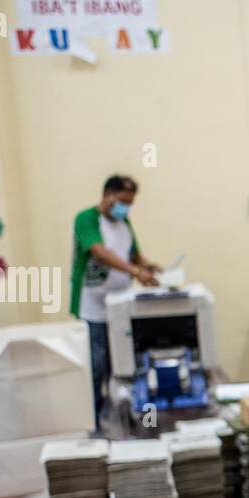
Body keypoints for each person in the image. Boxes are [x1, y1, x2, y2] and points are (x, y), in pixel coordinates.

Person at [69, 175, 160, 427]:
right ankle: (94, 420)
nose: (125, 208)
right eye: (122, 202)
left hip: (121, 305)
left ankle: (121, 415)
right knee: (97, 364)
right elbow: (99, 252)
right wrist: (135, 271)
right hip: (93, 306)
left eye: (129, 203)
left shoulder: (124, 222)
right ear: (108, 195)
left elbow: (134, 254)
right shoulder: (87, 219)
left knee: (120, 363)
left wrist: (149, 266)